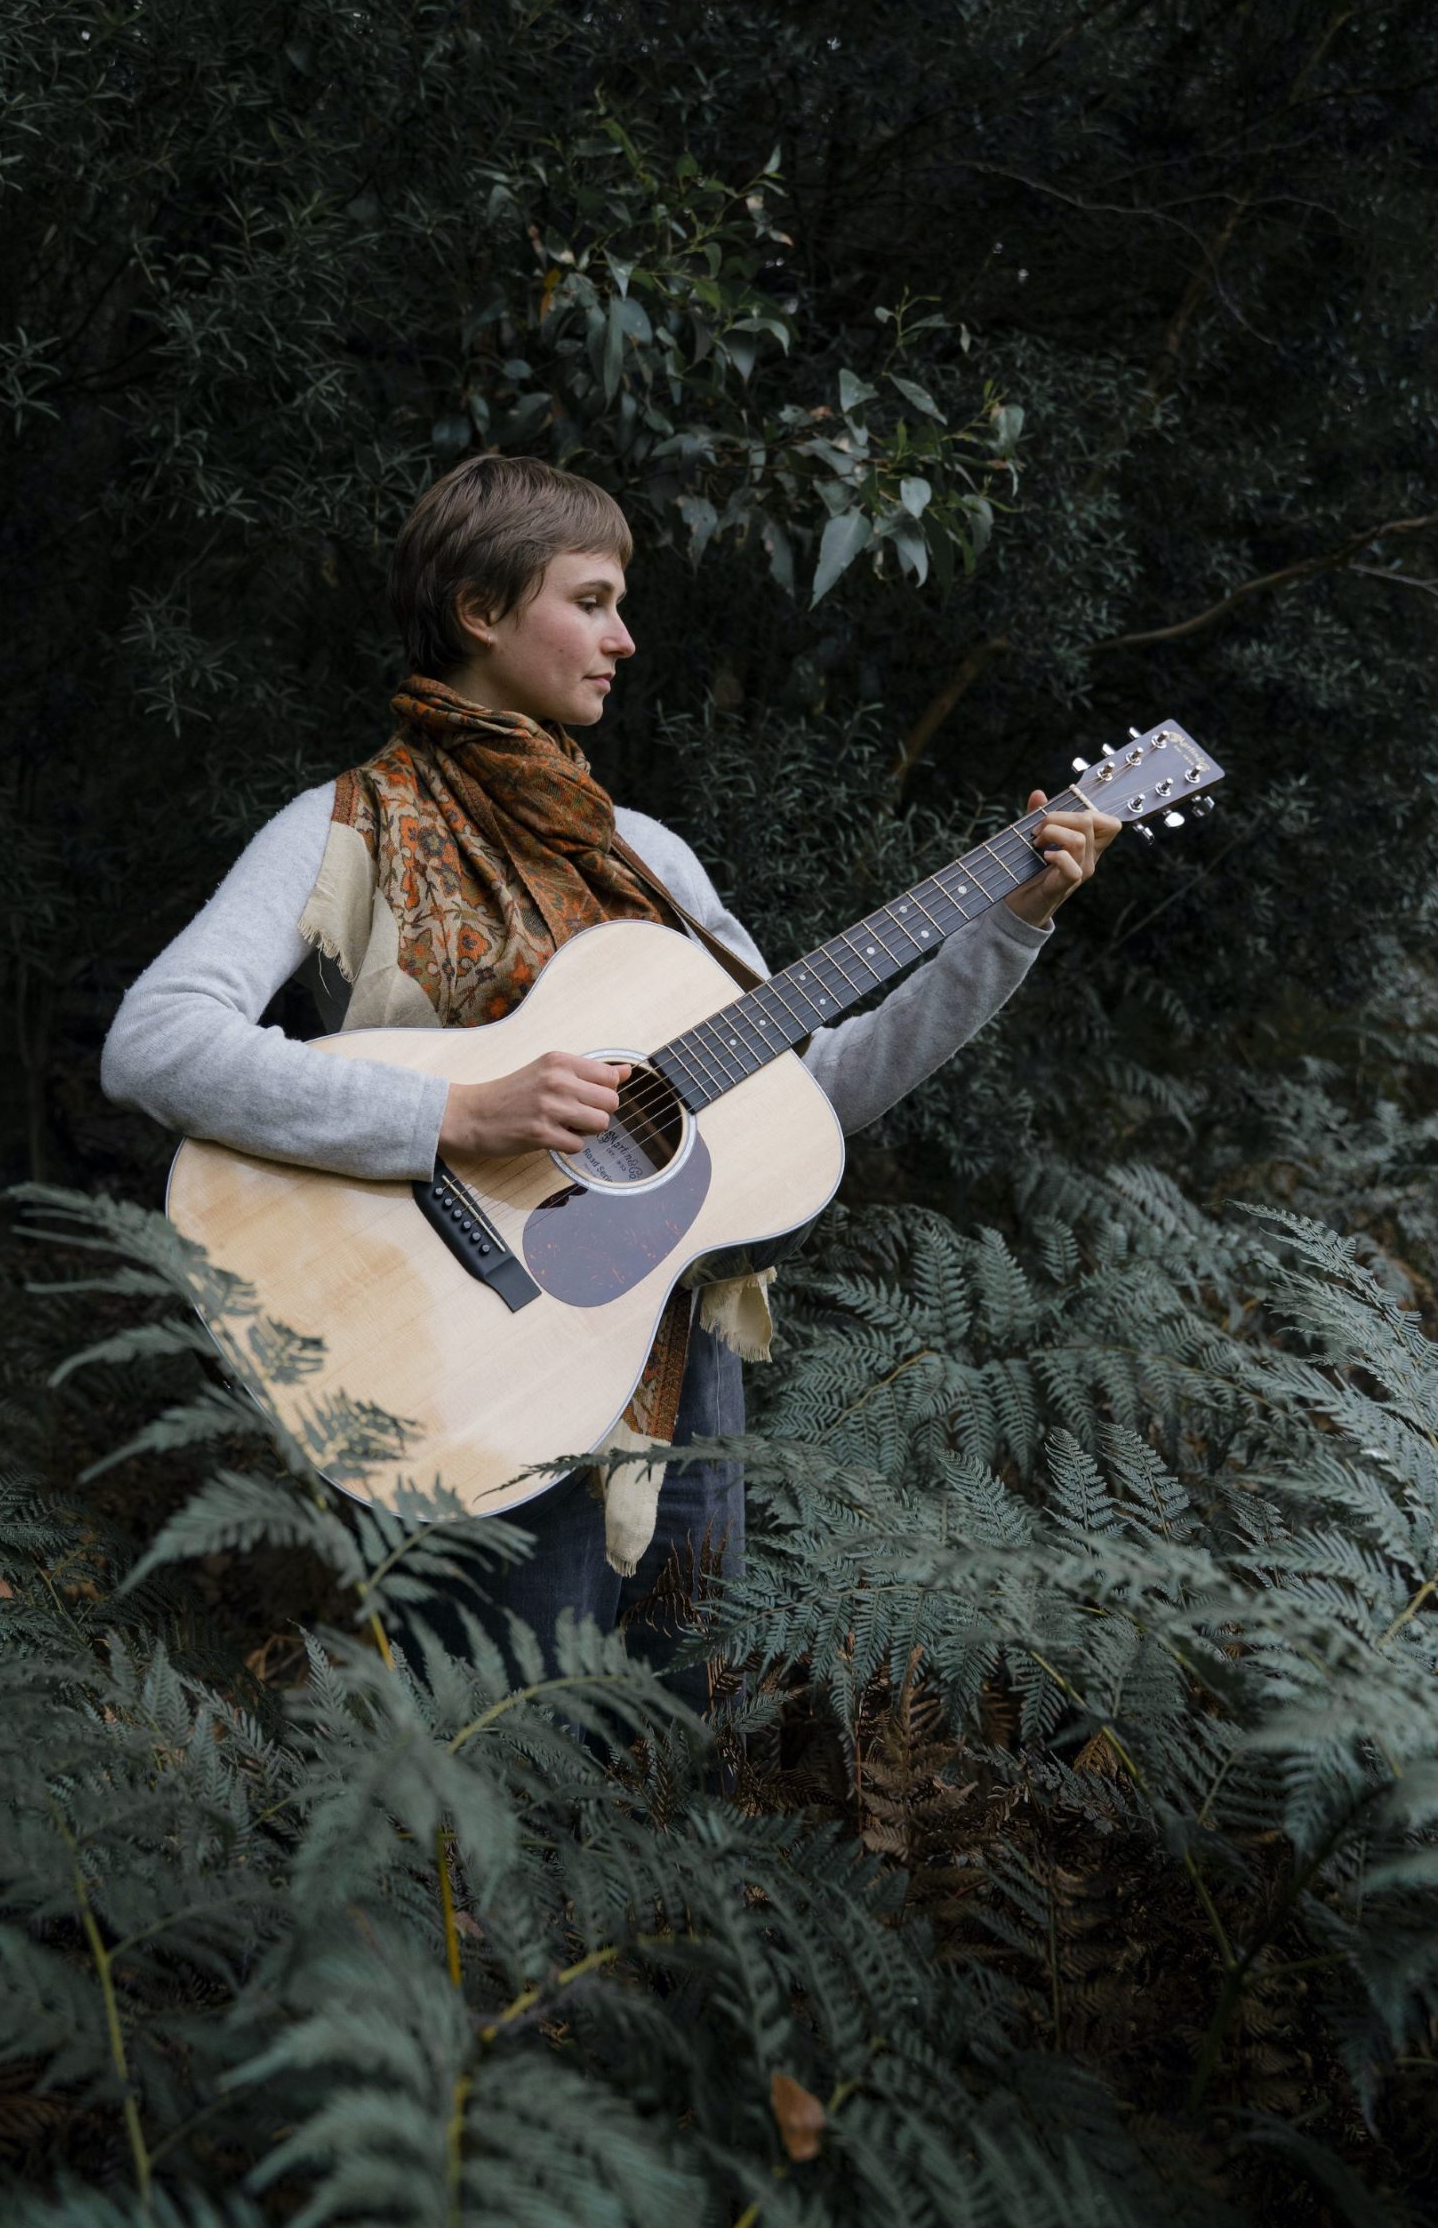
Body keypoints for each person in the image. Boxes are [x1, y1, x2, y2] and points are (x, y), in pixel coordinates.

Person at [101, 453, 1117, 1701]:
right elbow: (155, 1040)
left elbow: (814, 1101)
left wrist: (1009, 925)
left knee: (673, 1741)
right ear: (481, 610)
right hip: (464, 1362)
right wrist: (462, 1110)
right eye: (590, 600)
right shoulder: (342, 828)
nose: (624, 638)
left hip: (677, 1350)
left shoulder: (649, 859)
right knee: (507, 1754)